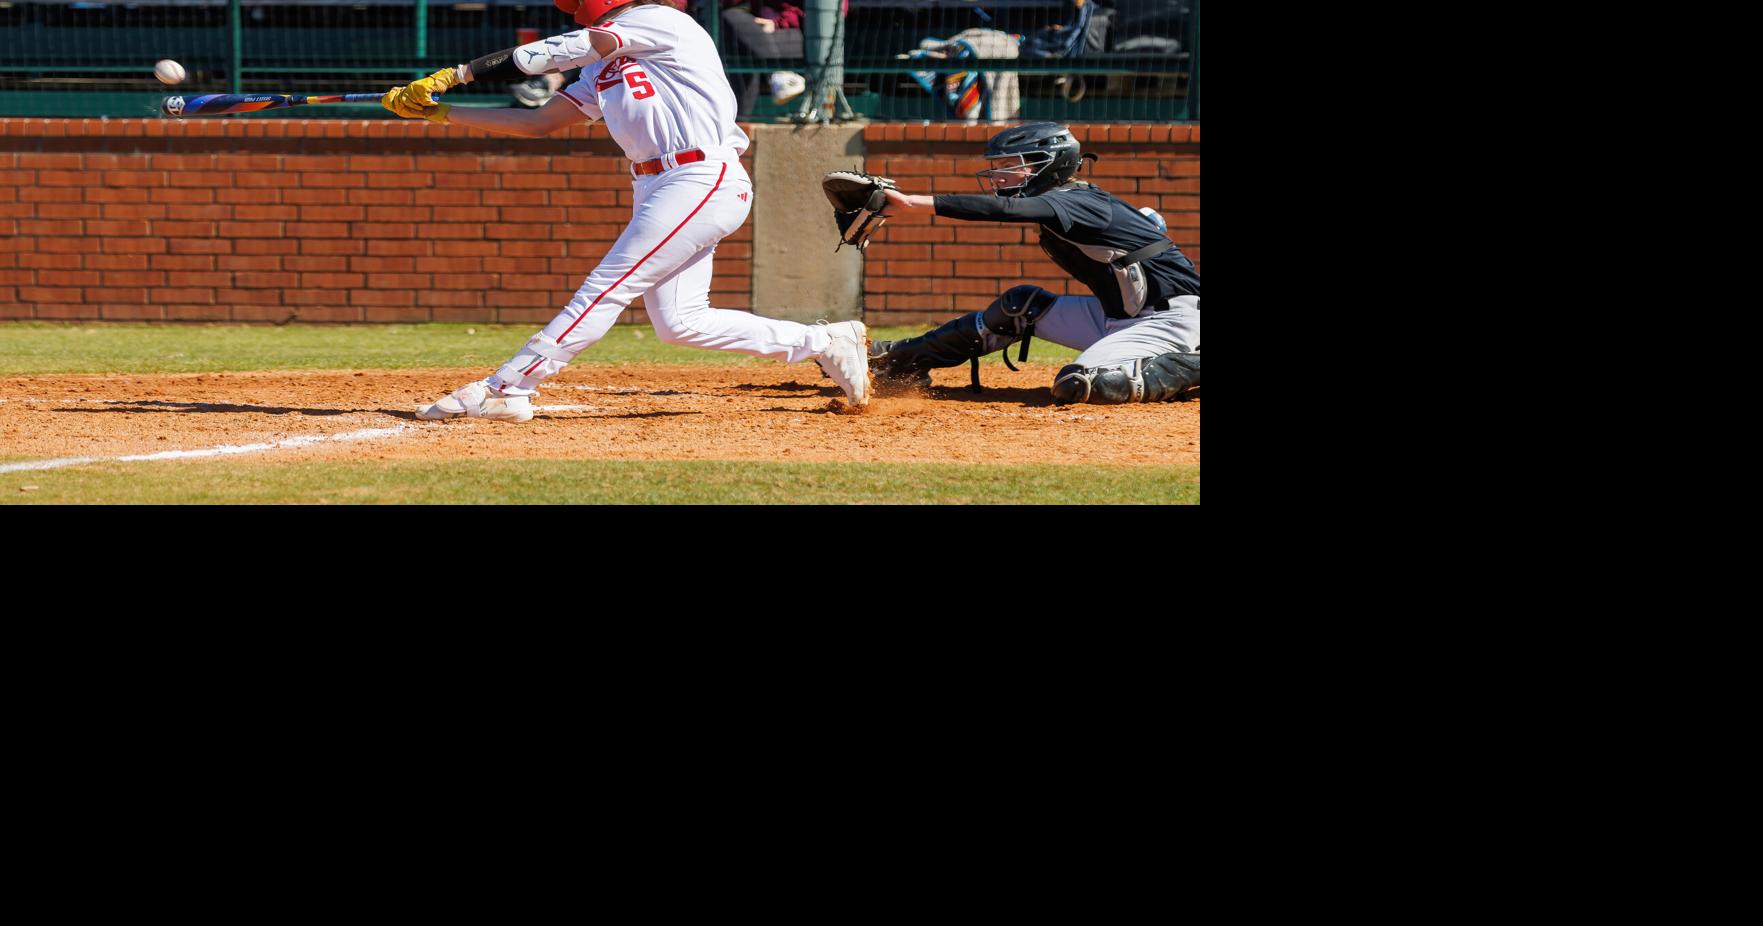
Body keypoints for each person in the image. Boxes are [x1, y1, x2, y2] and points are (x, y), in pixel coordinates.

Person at [380, 0, 869, 421]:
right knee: (681, 323)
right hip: (658, 183)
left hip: (698, 174)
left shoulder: (659, 20)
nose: (576, 9)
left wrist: (457, 75)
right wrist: (441, 111)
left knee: (607, 287)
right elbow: (540, 122)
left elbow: (564, 48)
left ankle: (509, 387)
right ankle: (824, 342)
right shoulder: (602, 64)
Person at [868, 121, 1199, 404]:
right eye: (999, 166)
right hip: (1120, 317)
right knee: (1022, 306)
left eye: (1013, 165)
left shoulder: (1077, 201)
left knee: (1082, 383)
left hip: (1171, 320)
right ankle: (900, 361)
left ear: (1050, 164)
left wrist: (913, 203)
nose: (1000, 176)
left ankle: (1192, 364)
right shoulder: (1074, 202)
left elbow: (1004, 211)